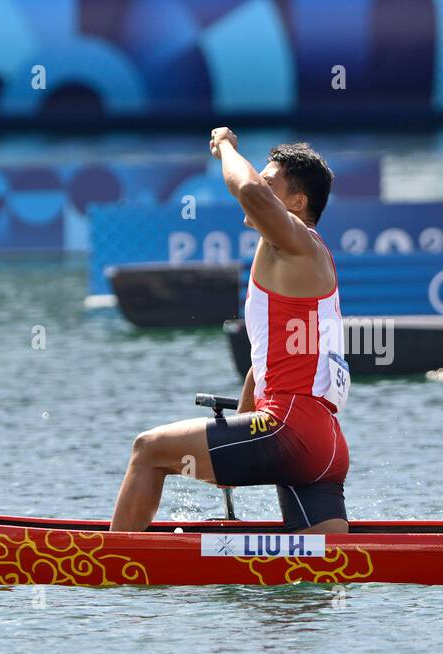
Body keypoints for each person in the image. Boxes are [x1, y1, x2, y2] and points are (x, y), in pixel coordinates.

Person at [110, 130, 351, 533]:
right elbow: (265, 362)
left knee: (148, 450)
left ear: (297, 203)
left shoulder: (296, 244)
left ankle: (109, 565)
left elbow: (250, 191)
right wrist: (236, 434)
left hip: (289, 429)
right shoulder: (296, 259)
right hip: (324, 445)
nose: (258, 181)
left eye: (270, 179)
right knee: (324, 573)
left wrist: (225, 146)